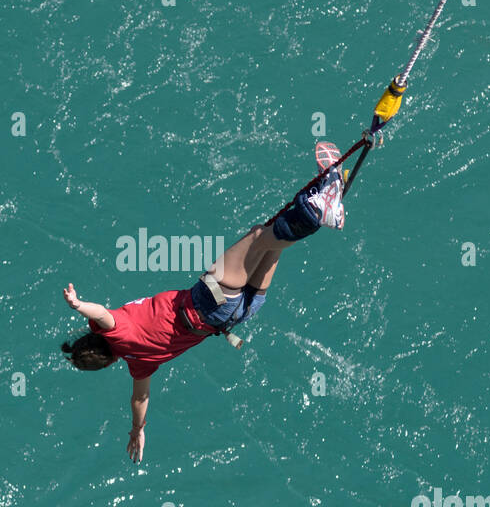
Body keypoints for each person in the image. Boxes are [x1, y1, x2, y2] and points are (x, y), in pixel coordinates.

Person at [61, 165, 347, 462]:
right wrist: (78, 304)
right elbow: (103, 315)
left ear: (108, 362)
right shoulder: (115, 330)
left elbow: (139, 398)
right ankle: (318, 210)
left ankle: (321, 205)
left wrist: (137, 430)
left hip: (234, 317)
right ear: (93, 335)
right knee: (259, 236)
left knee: (273, 246)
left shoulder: (138, 365)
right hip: (209, 299)